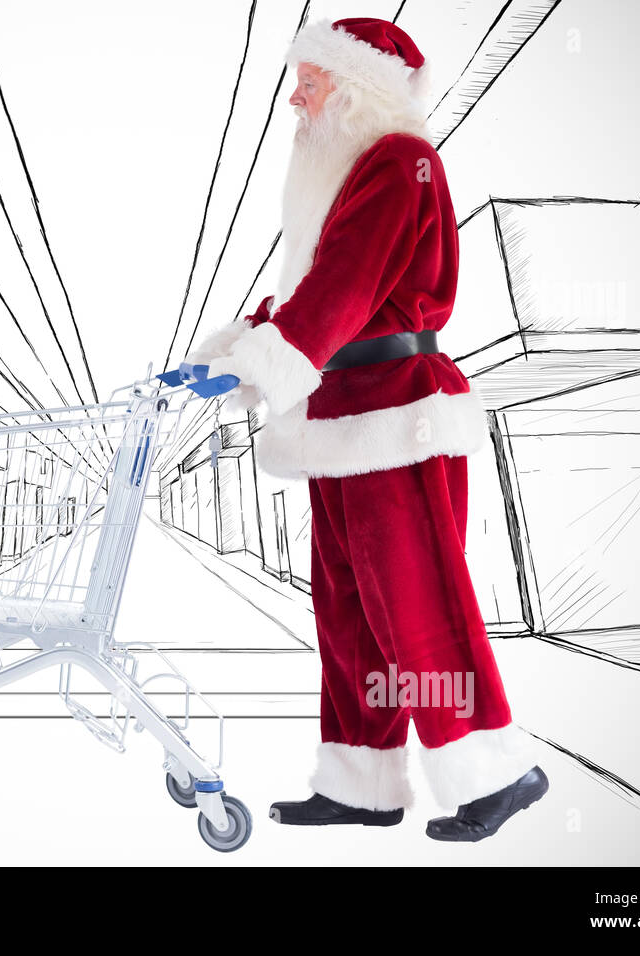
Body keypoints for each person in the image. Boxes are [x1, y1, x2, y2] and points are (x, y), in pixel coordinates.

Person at [187, 17, 548, 841]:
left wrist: (264, 360)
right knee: (349, 612)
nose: (297, 96)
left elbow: (347, 288)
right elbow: (311, 294)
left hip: (398, 409)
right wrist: (229, 353)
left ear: (357, 87)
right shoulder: (352, 178)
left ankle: (492, 770)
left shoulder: (401, 162)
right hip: (343, 413)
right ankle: (362, 780)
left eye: (311, 80)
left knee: (416, 603)